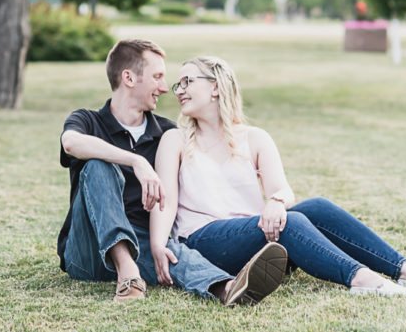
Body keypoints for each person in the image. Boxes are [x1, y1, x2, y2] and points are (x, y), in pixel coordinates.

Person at [150, 55, 406, 297]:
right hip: (206, 241)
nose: (178, 90)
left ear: (215, 87)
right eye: (178, 84)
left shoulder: (254, 138)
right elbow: (167, 203)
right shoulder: (175, 140)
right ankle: (364, 280)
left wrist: (276, 202)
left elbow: (281, 189)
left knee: (315, 207)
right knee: (291, 222)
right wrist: (158, 246)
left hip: (257, 239)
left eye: (187, 81)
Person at [57, 39, 287, 305]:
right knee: (98, 165)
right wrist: (136, 161)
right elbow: (71, 143)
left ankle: (228, 288)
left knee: (170, 251)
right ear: (129, 78)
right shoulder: (88, 121)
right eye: (157, 77)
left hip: (141, 246)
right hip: (86, 250)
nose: (166, 89)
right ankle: (127, 273)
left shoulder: (167, 135)